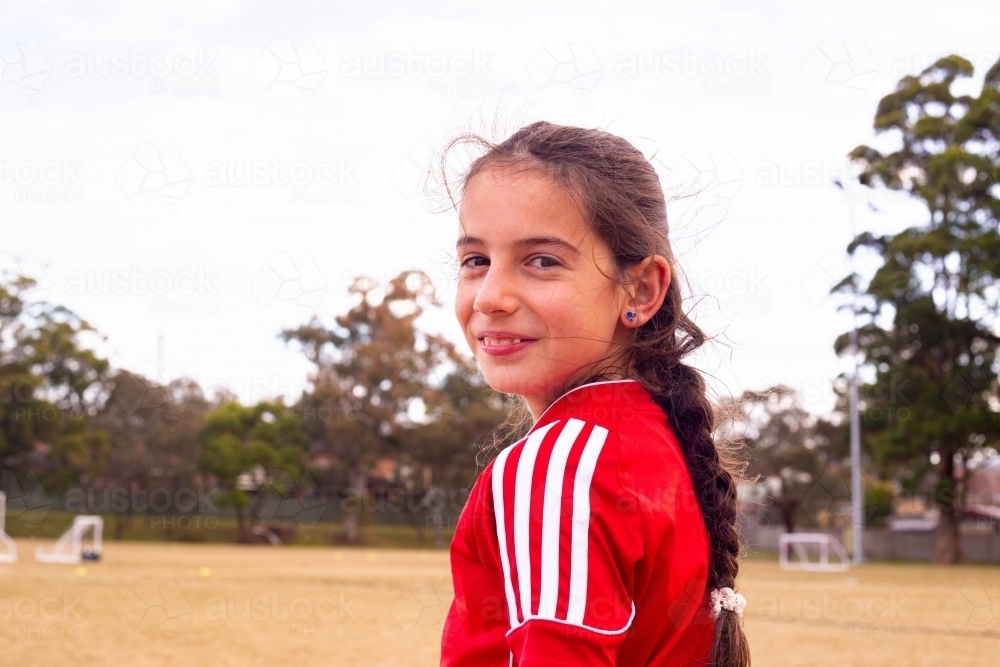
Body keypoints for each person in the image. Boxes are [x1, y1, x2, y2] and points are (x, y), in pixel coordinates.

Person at [439, 121, 750, 667]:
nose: (490, 297)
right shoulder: (648, 439)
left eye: (542, 260)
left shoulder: (560, 466)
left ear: (641, 289)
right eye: (476, 260)